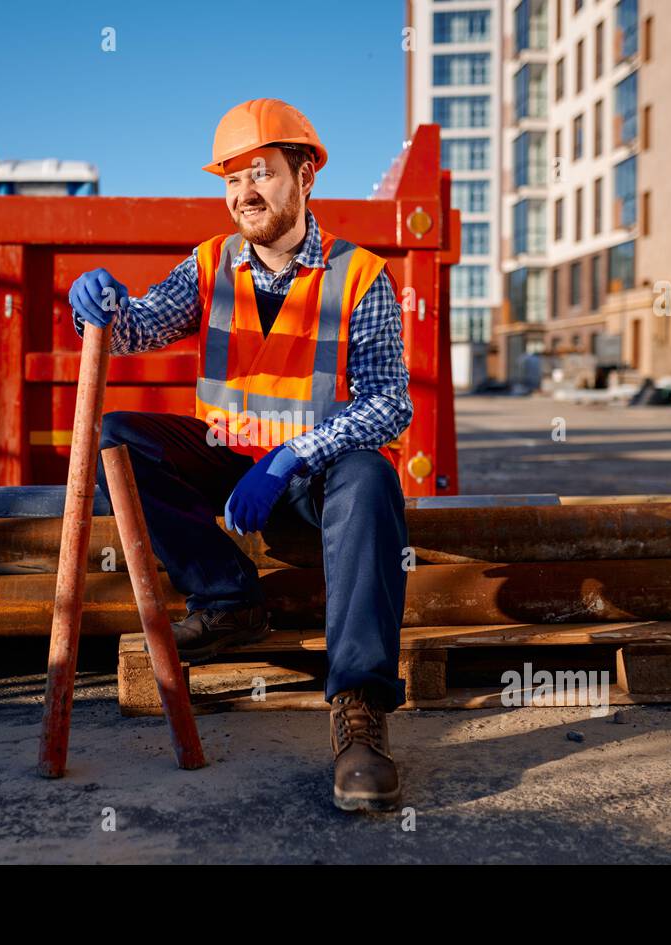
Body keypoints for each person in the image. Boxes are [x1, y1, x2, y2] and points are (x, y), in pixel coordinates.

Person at [68, 98, 412, 812]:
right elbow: (136, 327)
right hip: (230, 471)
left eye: (262, 173)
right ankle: (227, 597)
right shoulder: (208, 266)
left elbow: (389, 402)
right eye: (231, 180)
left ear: (306, 175)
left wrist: (292, 456)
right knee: (120, 441)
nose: (244, 193)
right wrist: (97, 303)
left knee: (372, 473)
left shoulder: (359, 276)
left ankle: (359, 713)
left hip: (309, 489)